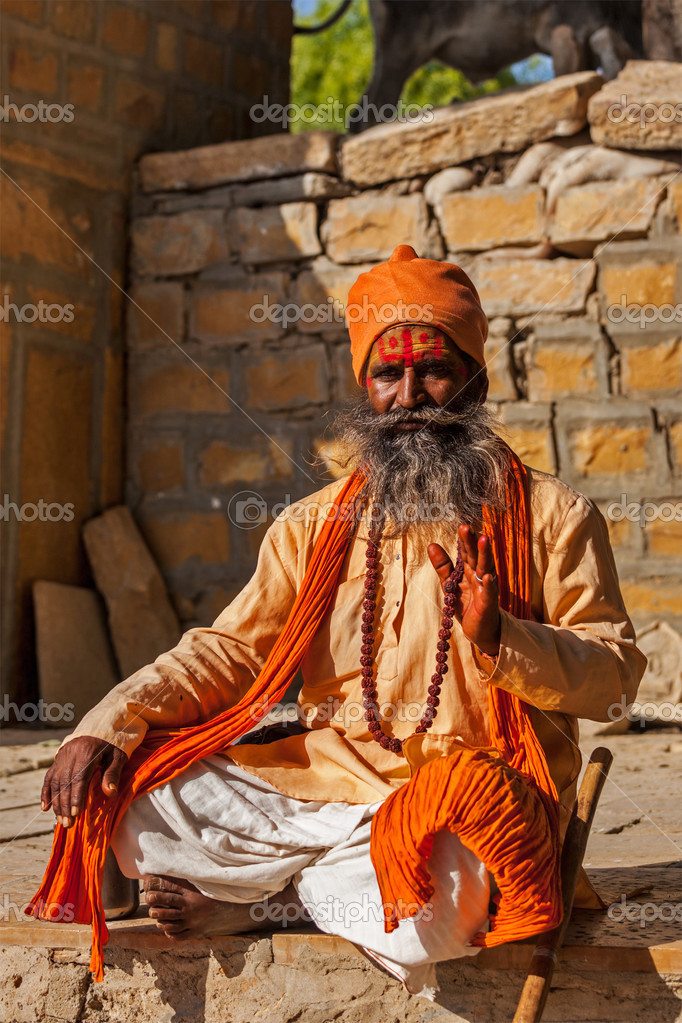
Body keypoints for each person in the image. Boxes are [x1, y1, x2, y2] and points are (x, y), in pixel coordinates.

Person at [40, 245, 646, 999]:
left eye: (434, 371)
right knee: (136, 798)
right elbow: (229, 651)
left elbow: (616, 677)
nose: (410, 395)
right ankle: (306, 889)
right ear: (365, 390)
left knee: (451, 891)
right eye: (388, 375)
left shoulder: (555, 518)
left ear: (476, 381)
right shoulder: (312, 527)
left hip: (462, 805)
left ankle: (270, 902)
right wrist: (107, 723)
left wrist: (504, 641)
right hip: (326, 787)